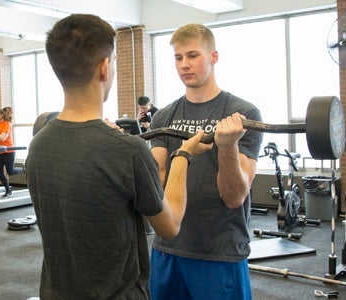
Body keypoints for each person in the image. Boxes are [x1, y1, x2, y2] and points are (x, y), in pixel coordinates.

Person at [26, 14, 210, 299]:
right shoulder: (128, 151)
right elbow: (170, 226)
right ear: (104, 67)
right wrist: (184, 155)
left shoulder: (38, 145)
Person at [148, 23, 263, 300]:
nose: (184, 65)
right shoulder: (163, 118)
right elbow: (155, 179)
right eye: (178, 58)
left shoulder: (243, 113)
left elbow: (234, 197)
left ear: (213, 57)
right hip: (168, 247)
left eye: (192, 55)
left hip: (219, 252)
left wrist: (228, 147)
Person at [0, 107, 24, 198]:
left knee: (10, 171)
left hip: (8, 151)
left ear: (2, 115)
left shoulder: (7, 124)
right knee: (0, 173)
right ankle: (8, 190)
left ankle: (23, 169)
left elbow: (2, 138)